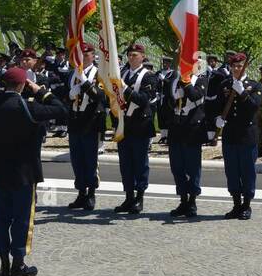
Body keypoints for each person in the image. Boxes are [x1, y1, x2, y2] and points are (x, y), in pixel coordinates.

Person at [0, 65, 68, 276]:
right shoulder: (29, 106)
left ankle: (3, 265)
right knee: (22, 219)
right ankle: (18, 264)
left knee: (2, 218)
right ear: (22, 84)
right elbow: (61, 110)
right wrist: (40, 91)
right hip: (26, 172)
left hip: (0, 171)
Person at [218, 52, 262, 217]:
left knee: (247, 171)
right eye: (234, 66)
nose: (236, 69)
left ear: (245, 66)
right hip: (230, 134)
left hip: (247, 135)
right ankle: (236, 204)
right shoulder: (225, 84)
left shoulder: (255, 85)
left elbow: (254, 107)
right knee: (232, 171)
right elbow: (218, 105)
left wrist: (242, 92)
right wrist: (217, 118)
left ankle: (246, 205)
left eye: (239, 66)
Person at [115, 44, 157, 215]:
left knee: (140, 164)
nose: (131, 58)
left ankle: (139, 197)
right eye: (130, 55)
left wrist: (126, 89)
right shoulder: (123, 74)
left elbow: (144, 100)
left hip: (140, 126)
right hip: (124, 126)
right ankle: (128, 196)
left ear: (142, 56)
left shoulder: (149, 77)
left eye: (135, 55)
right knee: (126, 164)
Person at [160, 66, 207, 218]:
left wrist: (186, 85)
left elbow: (195, 96)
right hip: (176, 129)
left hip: (192, 129)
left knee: (192, 168)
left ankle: (192, 200)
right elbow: (166, 103)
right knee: (177, 167)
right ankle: (183, 199)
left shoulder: (200, 80)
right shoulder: (173, 80)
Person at [66, 43, 106, 211]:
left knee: (90, 160)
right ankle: (81, 192)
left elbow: (100, 96)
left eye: (87, 53)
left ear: (93, 55)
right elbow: (65, 95)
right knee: (77, 160)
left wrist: (84, 84)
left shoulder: (99, 73)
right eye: (80, 54)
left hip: (91, 122)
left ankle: (91, 193)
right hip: (75, 121)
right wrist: (69, 94)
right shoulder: (72, 74)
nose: (83, 56)